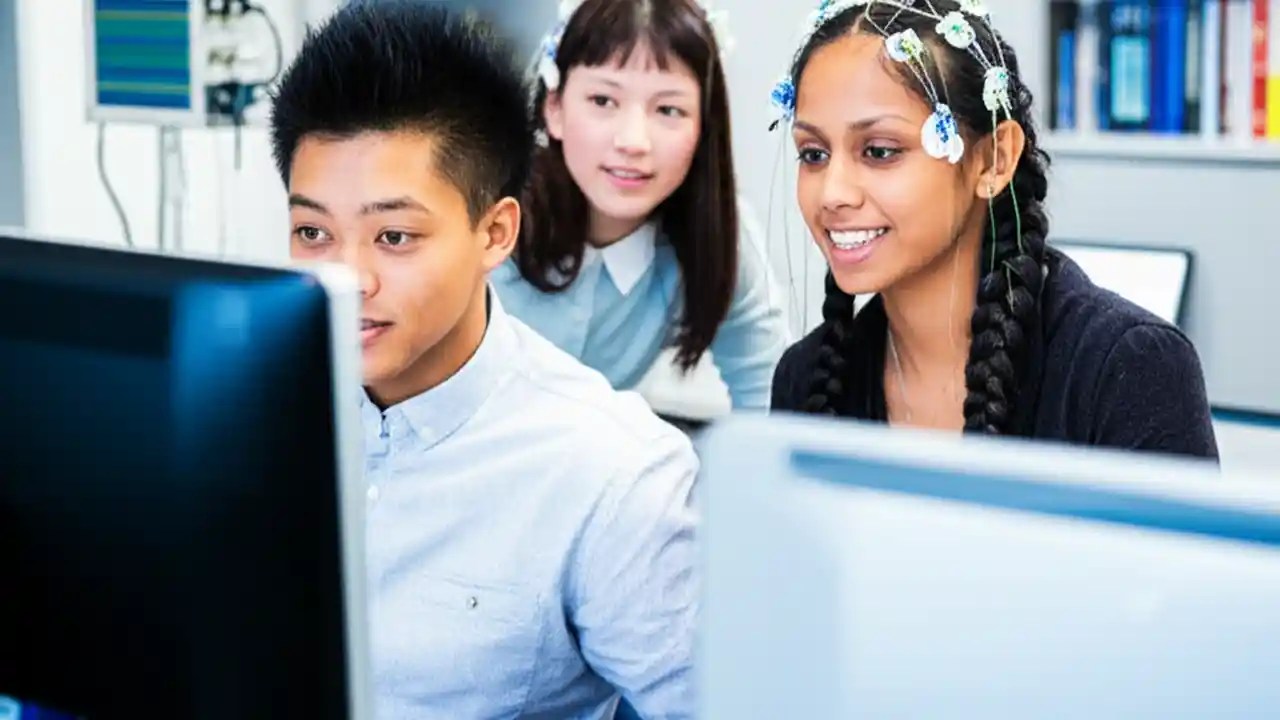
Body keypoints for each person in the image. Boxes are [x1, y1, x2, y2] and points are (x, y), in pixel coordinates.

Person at [269, 3, 698, 717]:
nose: (347, 277)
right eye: (313, 231)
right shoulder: (231, 419)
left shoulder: (613, 477)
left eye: (395, 237)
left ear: (495, 232)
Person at [768, 0, 1217, 459]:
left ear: (994, 159)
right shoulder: (804, 380)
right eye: (813, 154)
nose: (832, 193)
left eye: (880, 151)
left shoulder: (1128, 368)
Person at [492, 0, 790, 411]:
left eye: (668, 109)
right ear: (554, 108)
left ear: (704, 126)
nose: (633, 141)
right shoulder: (489, 210)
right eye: (602, 101)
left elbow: (768, 396)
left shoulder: (717, 239)